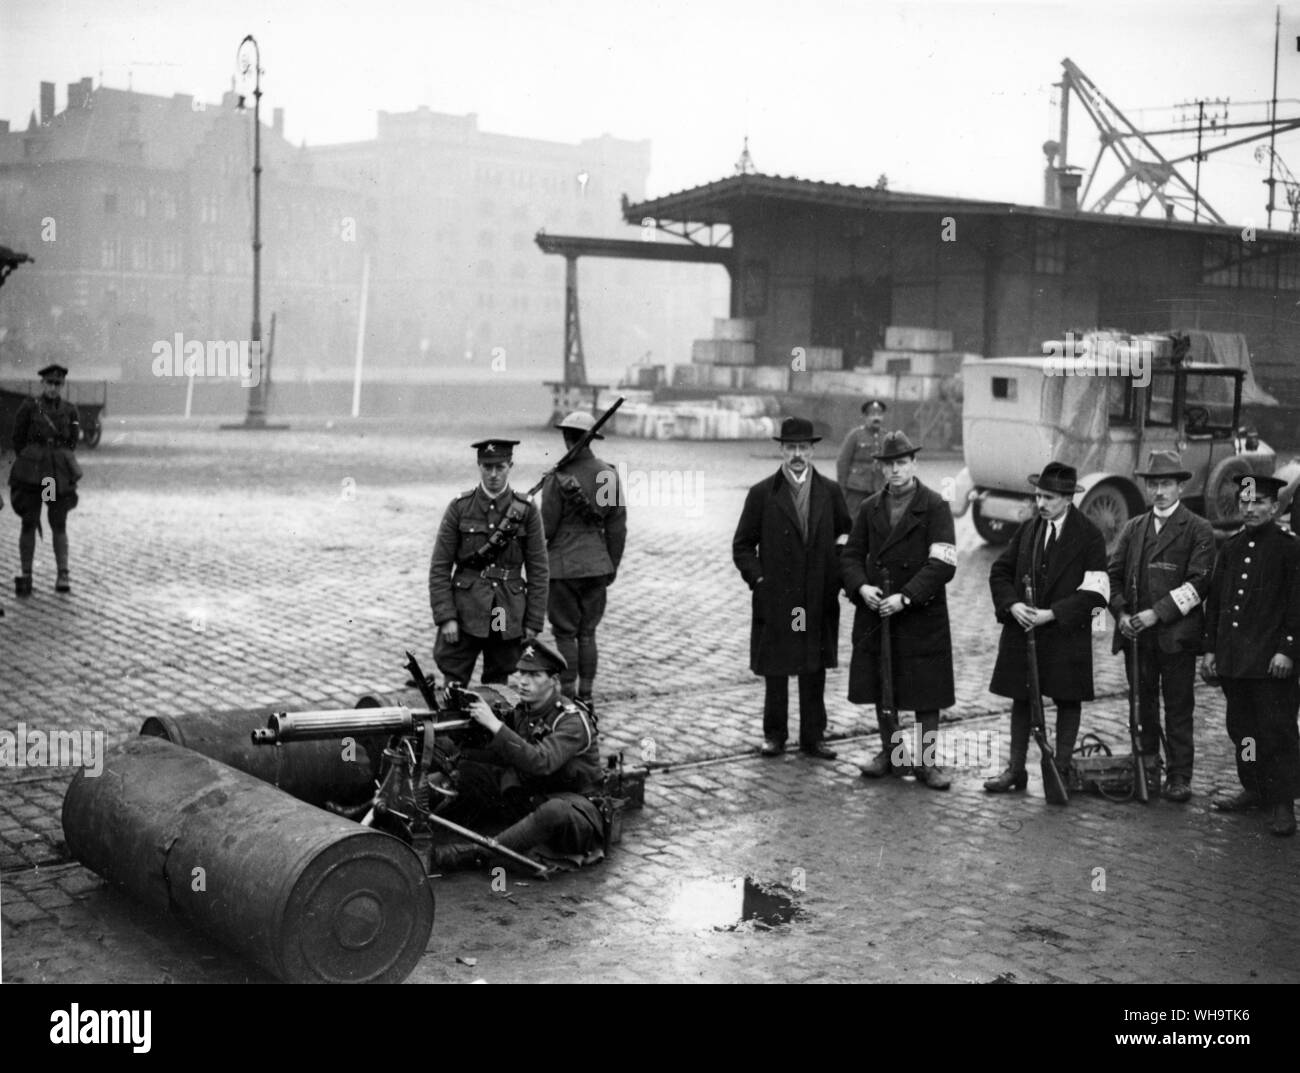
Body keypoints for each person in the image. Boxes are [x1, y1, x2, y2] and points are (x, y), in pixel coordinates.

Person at [841, 431, 957, 788]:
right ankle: (892, 754)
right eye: (888, 464)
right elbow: (850, 556)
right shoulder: (868, 507)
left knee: (926, 691)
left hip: (920, 614)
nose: (895, 470)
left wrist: (905, 596)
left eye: (901, 463)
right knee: (883, 685)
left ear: (914, 464)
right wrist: (861, 586)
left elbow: (943, 564)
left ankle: (926, 762)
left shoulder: (935, 506)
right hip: (878, 613)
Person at [985, 462, 1109, 796]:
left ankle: (1061, 769)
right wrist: (1012, 605)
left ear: (1068, 499)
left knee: (1068, 701)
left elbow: (1098, 595)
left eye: (1049, 498)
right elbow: (1000, 571)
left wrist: (1052, 614)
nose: (1041, 503)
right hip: (1024, 632)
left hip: (1065, 634)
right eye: (1038, 495)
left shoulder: (1090, 536)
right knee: (1022, 699)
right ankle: (1015, 770)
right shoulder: (1028, 529)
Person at [732, 416, 852, 759]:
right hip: (778, 597)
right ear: (781, 451)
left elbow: (847, 535)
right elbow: (742, 545)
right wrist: (759, 580)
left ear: (812, 451)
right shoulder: (761, 493)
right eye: (790, 448)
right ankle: (775, 735)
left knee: (813, 666)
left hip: (816, 596)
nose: (797, 454)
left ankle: (813, 737)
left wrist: (837, 575)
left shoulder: (830, 492)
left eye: (803, 448)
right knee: (777, 667)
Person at [429, 638, 606, 871]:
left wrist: (494, 725)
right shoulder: (525, 711)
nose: (523, 682)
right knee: (470, 770)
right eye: (522, 673)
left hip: (575, 811)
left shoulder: (572, 721)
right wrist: (463, 726)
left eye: (534, 676)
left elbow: (540, 762)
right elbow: (500, 753)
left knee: (554, 811)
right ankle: (416, 822)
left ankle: (471, 855)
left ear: (554, 681)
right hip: (534, 796)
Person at [1106, 451, 1215, 802]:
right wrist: (1122, 614)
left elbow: (1199, 584)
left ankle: (1180, 776)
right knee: (1142, 704)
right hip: (1136, 637)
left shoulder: (1198, 529)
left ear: (1181, 486)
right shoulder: (1134, 528)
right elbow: (1112, 575)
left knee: (1179, 707)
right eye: (1153, 484)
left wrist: (1157, 613)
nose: (1158, 491)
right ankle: (1147, 767)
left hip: (1176, 638)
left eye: (1166, 483)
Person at [1202, 474, 1300, 837]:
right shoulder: (1230, 548)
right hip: (1235, 663)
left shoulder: (1290, 549)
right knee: (1243, 731)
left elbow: (1296, 605)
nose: (1250, 508)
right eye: (1245, 501)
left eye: (1259, 502)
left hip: (1272, 664)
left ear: (1275, 507)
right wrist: (1210, 648)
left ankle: (1282, 803)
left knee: (1277, 732)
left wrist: (1288, 650)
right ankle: (1253, 787)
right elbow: (1216, 604)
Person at [428, 438, 548, 685]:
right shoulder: (460, 507)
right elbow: (440, 567)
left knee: (498, 679)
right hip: (466, 609)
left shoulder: (526, 511)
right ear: (479, 466)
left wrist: (533, 621)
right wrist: (446, 616)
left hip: (503, 609)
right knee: (454, 679)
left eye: (500, 467)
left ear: (510, 466)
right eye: (487, 467)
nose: (493, 474)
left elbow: (538, 570)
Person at [540, 411, 628, 713]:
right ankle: (587, 695)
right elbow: (617, 527)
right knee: (587, 633)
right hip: (597, 566)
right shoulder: (608, 474)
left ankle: (568, 695)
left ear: (567, 438)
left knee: (565, 633)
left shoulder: (557, 477)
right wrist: (611, 565)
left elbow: (546, 529)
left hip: (563, 568)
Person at [9, 363, 81, 596]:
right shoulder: (30, 407)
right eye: (49, 383)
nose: (53, 388)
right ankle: (27, 574)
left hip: (53, 478)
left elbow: (71, 443)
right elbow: (18, 439)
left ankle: (63, 573)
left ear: (62, 385)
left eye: (57, 384)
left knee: (57, 521)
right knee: (29, 521)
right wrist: (32, 458)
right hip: (33, 476)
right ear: (42, 383)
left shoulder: (70, 411)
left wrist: (55, 459)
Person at [835, 399, 888, 518]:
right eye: (873, 415)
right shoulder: (855, 435)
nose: (876, 418)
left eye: (879, 415)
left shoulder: (885, 437)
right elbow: (843, 462)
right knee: (854, 520)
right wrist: (842, 488)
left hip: (877, 488)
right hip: (856, 488)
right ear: (865, 417)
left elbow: (889, 463)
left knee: (875, 520)